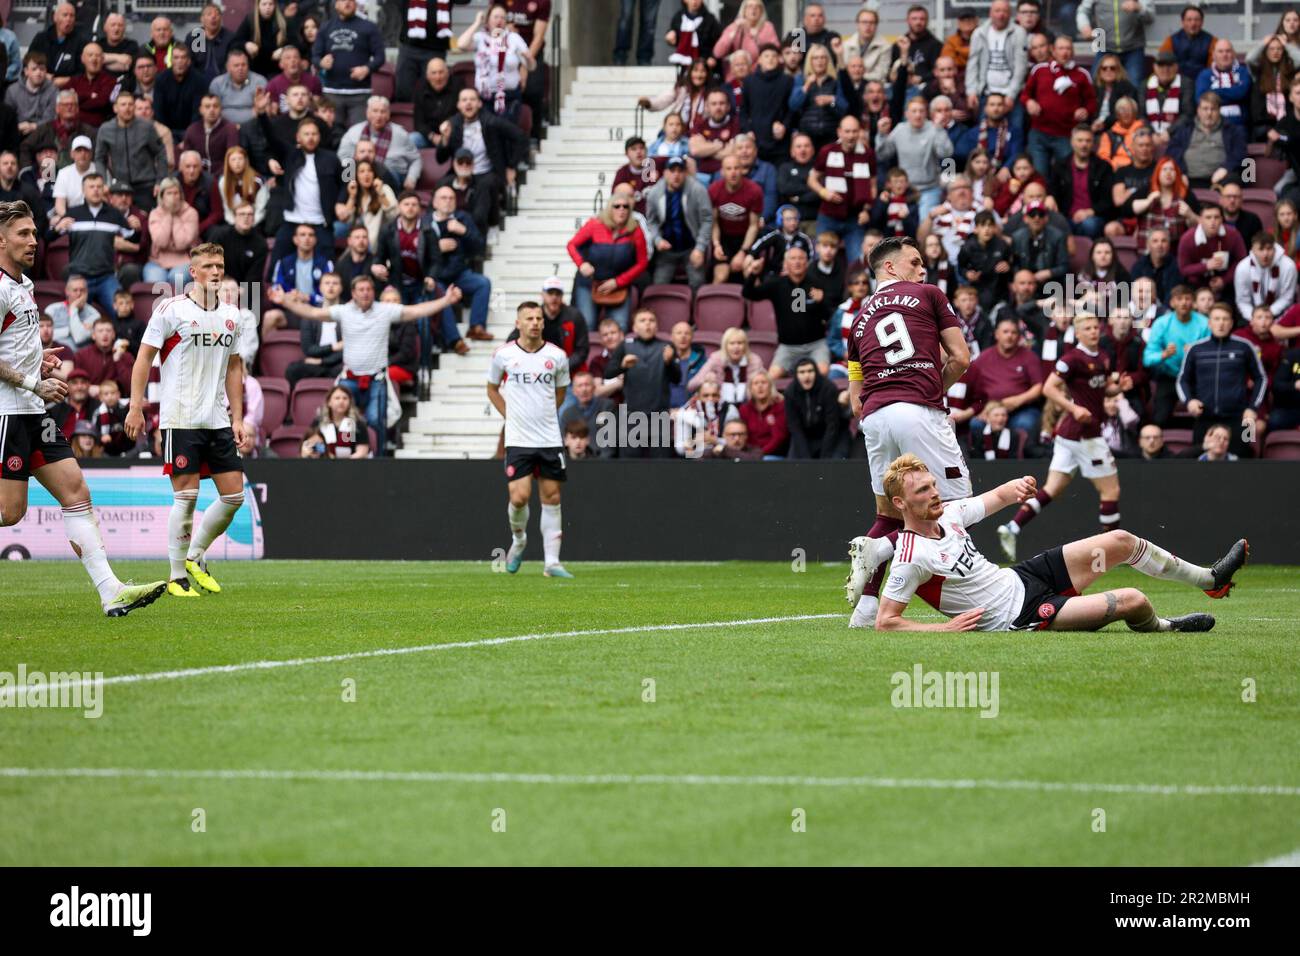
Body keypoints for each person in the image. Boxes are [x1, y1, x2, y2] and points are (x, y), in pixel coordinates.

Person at [0, 200, 164, 614]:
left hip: (33, 411)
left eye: (35, 233)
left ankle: (110, 590)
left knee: (76, 491)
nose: (34, 240)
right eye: (24, 234)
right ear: (0, 239)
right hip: (7, 411)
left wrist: (37, 356)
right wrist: (31, 379)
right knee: (9, 512)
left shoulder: (23, 285)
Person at [875, 453, 1244, 632]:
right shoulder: (910, 556)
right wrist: (943, 629)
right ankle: (1167, 628)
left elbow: (998, 498)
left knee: (1119, 540)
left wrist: (1016, 487)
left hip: (1023, 577)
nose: (934, 494)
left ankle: (1211, 581)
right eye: (923, 491)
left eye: (933, 485)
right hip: (1019, 617)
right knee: (1134, 600)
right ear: (900, 504)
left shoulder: (949, 514)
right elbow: (886, 621)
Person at [842, 236, 973, 629]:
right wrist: (933, 388)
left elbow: (854, 399)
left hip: (875, 417)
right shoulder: (929, 295)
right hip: (917, 409)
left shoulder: (859, 318)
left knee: (888, 511)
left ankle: (866, 612)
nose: (923, 270)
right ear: (890, 268)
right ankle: (971, 591)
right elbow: (961, 359)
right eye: (914, 263)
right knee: (954, 504)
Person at [271, 275, 462, 458]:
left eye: (369, 289)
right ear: (353, 293)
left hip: (376, 379)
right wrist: (285, 301)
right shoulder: (344, 310)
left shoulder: (384, 310)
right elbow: (313, 312)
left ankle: (375, 459)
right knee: (335, 419)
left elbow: (416, 311)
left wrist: (445, 301)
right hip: (350, 379)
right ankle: (338, 456)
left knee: (376, 421)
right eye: (361, 289)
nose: (365, 293)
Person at [997, 313, 1126, 560]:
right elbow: (1048, 388)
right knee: (1111, 491)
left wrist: (1118, 388)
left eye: (1095, 327)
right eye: (1087, 328)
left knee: (1052, 489)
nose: (1093, 331)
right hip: (1084, 436)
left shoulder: (1102, 356)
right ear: (1077, 333)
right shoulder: (1072, 359)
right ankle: (1114, 551)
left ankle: (1011, 527)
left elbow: (1102, 388)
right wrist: (1073, 408)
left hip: (1069, 436)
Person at [485, 300, 573, 574]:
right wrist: (510, 416)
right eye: (529, 318)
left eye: (539, 318)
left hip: (548, 438)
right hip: (518, 439)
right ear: (518, 323)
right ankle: (519, 541)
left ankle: (552, 562)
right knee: (520, 497)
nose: (535, 322)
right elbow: (492, 389)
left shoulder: (557, 356)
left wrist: (543, 415)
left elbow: (560, 393)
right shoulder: (504, 355)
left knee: (552, 497)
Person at [1177, 301, 1267, 457]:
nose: (1221, 323)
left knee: (1245, 459)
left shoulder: (1245, 347)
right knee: (1200, 463)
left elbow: (1261, 379)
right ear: (1209, 323)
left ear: (1231, 323)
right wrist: (1189, 401)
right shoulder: (1195, 349)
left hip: (1241, 418)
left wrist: (1253, 408)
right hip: (1204, 417)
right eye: (1217, 319)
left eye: (1225, 319)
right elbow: (1182, 380)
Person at [566, 194, 648, 333]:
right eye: (617, 206)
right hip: (589, 284)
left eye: (625, 206)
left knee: (619, 328)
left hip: (617, 286)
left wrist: (618, 282)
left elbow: (642, 262)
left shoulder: (635, 230)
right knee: (587, 326)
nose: (621, 210)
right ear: (610, 208)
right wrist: (582, 264)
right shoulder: (594, 224)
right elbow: (572, 245)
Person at [1021, 36, 1095, 178]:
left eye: (1068, 49)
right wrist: (1029, 102)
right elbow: (1025, 95)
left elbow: (1091, 101)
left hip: (1066, 135)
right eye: (1061, 48)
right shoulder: (1039, 70)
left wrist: (1085, 110)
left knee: (1066, 176)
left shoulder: (1081, 75)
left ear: (1073, 52)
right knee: (1039, 175)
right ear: (1053, 51)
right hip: (1039, 133)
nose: (1064, 52)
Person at [313, 0, 386, 130]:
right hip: (332, 93)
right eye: (343, 0)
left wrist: (367, 69)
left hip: (359, 94)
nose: (347, 3)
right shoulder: (326, 27)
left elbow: (380, 57)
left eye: (351, 0)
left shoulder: (368, 27)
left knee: (360, 133)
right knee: (332, 133)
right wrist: (321, 63)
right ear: (336, 4)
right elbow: (315, 56)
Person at [875, 97, 950, 221]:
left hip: (929, 189)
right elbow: (883, 155)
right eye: (914, 111)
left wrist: (939, 130)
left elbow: (946, 153)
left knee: (924, 223)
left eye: (921, 111)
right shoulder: (900, 129)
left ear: (926, 113)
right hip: (905, 189)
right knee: (902, 224)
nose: (918, 115)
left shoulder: (933, 128)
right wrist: (881, 135)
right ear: (907, 114)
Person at [644, 155, 711, 289]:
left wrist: (700, 248)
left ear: (685, 173)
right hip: (667, 250)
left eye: (680, 171)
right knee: (658, 286)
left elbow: (707, 219)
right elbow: (651, 221)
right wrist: (657, 239)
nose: (676, 175)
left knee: (698, 284)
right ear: (665, 173)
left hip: (691, 247)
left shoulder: (697, 190)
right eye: (672, 171)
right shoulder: (655, 193)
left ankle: (696, 309)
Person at [144, 177, 200, 290]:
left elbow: (181, 243)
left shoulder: (191, 213)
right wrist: (169, 215)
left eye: (176, 193)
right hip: (157, 262)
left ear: (181, 195)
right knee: (156, 283)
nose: (173, 197)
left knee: (177, 278)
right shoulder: (155, 214)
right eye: (169, 193)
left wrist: (175, 216)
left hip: (184, 260)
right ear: (162, 196)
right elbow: (161, 242)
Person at [784, 357, 843, 459]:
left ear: (816, 372)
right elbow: (794, 427)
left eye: (810, 371)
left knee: (833, 464)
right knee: (795, 465)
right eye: (802, 372)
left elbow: (832, 425)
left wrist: (824, 457)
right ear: (796, 375)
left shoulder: (828, 388)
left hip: (833, 435)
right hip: (805, 436)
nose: (806, 375)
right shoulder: (790, 392)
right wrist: (806, 458)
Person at [1235, 232, 1298, 323]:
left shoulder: (1288, 266)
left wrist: (1267, 316)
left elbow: (1287, 297)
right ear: (1253, 250)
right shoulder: (1243, 268)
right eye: (1261, 249)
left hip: (1280, 312)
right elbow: (1242, 300)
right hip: (1251, 316)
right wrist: (1256, 319)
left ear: (1275, 249)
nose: (1265, 254)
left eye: (1269, 249)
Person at [310, 384, 371, 459]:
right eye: (337, 398)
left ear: (350, 402)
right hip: (325, 463)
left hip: (352, 464)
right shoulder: (319, 422)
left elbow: (362, 451)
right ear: (329, 402)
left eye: (345, 398)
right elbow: (313, 446)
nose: (341, 401)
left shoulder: (358, 423)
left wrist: (343, 464)